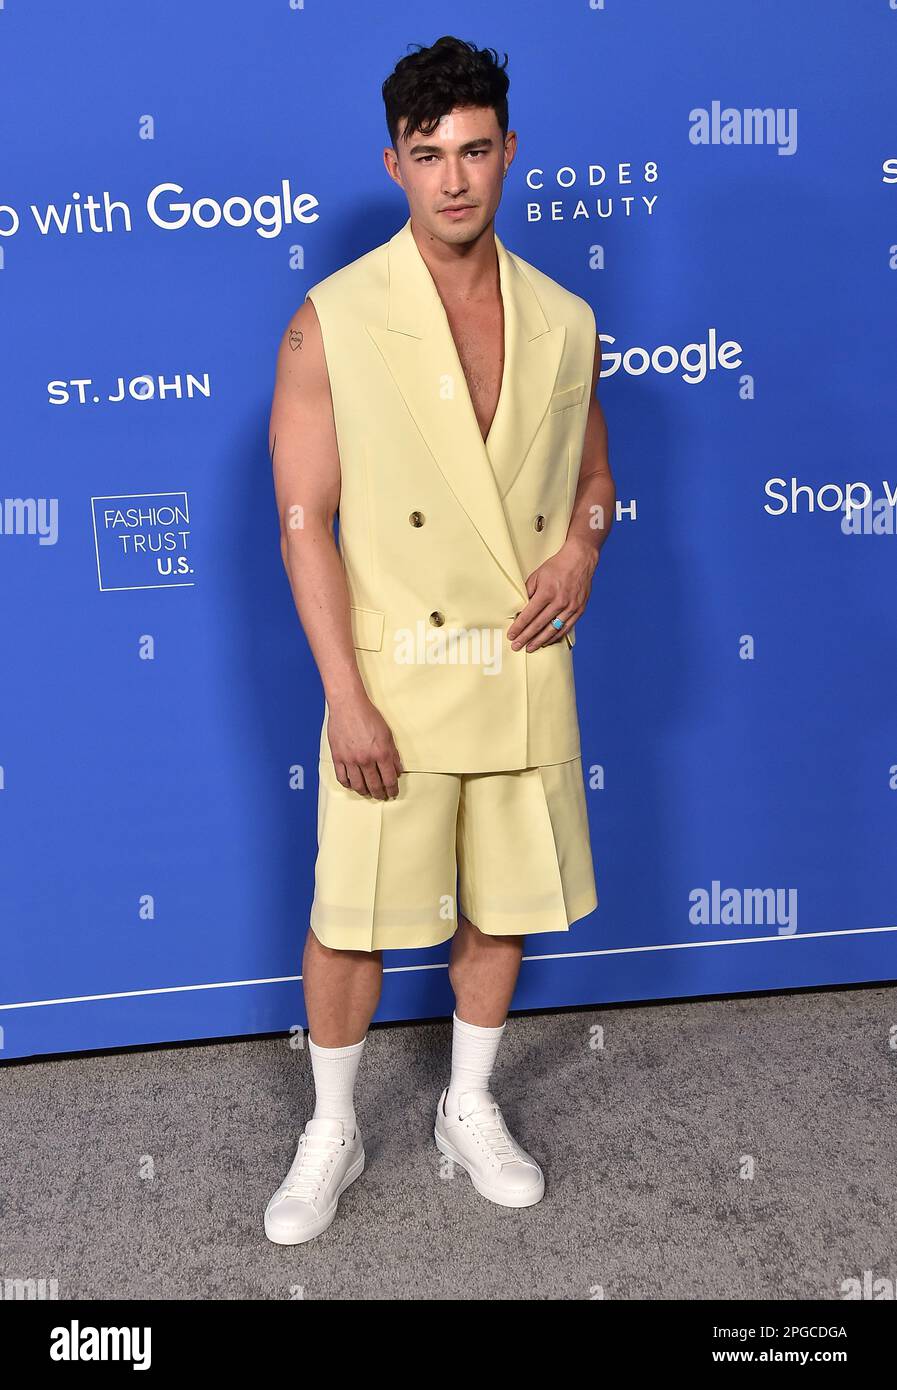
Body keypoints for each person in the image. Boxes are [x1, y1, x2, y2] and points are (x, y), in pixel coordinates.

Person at [265, 35, 614, 1245]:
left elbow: (595, 483)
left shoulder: (567, 320)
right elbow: (306, 527)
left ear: (509, 152)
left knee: (500, 904)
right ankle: (333, 1125)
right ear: (396, 163)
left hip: (517, 664)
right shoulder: (333, 321)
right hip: (395, 679)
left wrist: (580, 549)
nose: (455, 179)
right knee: (352, 914)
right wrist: (344, 698)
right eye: (429, 157)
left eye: (475, 151)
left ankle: (466, 1107)